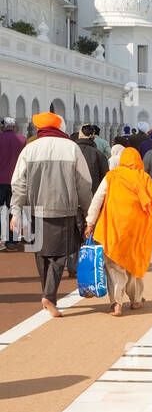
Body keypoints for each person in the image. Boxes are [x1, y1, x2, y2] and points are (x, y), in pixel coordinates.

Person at [9, 111, 91, 317]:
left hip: (33, 210)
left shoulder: (30, 149)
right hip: (63, 209)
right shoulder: (71, 148)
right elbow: (83, 184)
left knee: (41, 254)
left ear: (40, 129)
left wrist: (16, 211)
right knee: (61, 254)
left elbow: (19, 183)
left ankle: (47, 293)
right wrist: (88, 210)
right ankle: (49, 295)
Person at [85, 146, 152, 317]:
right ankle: (136, 300)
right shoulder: (144, 177)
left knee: (114, 267)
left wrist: (90, 222)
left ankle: (117, 304)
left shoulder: (112, 176)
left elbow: (97, 199)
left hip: (113, 230)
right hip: (136, 232)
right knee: (133, 265)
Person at [0, 115, 26, 251]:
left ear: (3, 126)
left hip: (0, 181)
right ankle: (12, 242)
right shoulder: (22, 140)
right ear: (14, 126)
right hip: (16, 181)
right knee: (14, 211)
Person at [77, 125, 109, 193]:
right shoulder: (98, 154)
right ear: (93, 136)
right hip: (92, 194)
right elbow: (105, 178)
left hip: (73, 195)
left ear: (79, 135)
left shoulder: (71, 150)